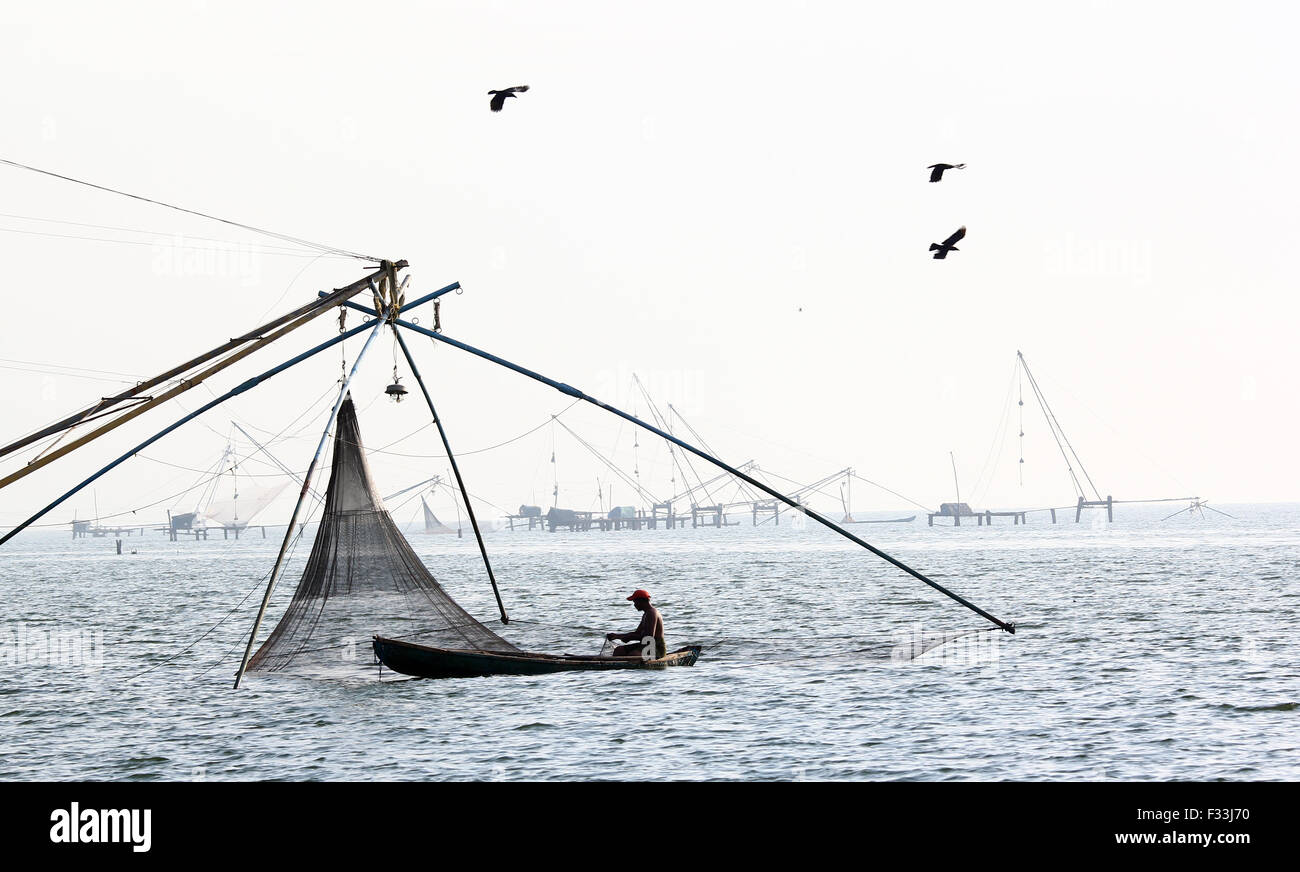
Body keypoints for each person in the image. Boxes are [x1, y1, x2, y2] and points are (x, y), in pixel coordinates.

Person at [605, 589, 665, 660]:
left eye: (635, 601)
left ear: (642, 601)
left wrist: (629, 637)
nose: (634, 605)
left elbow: (649, 637)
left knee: (633, 655)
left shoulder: (652, 613)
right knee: (619, 650)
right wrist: (617, 636)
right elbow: (637, 633)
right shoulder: (646, 614)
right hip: (645, 645)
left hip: (656, 648)